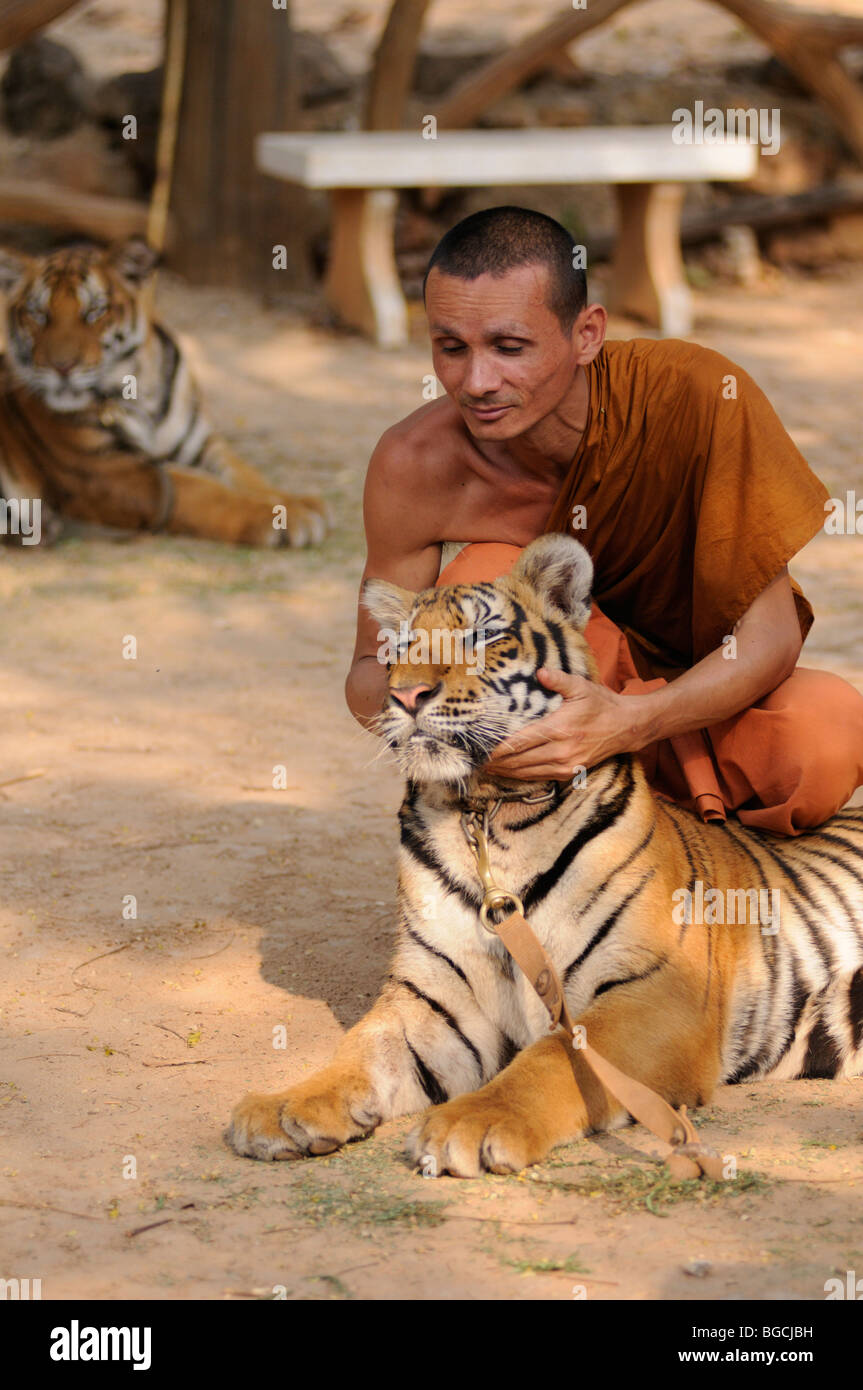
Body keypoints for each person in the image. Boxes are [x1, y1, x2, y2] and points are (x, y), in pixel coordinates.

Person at [345, 205, 863, 835]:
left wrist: (629, 721)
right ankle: (554, 841)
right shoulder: (415, 465)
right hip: (544, 723)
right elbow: (371, 669)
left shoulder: (696, 396)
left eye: (510, 347)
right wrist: (444, 716)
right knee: (490, 577)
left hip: (703, 699)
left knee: (828, 731)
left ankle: (666, 833)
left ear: (587, 333)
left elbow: (770, 638)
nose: (477, 381)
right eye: (450, 347)